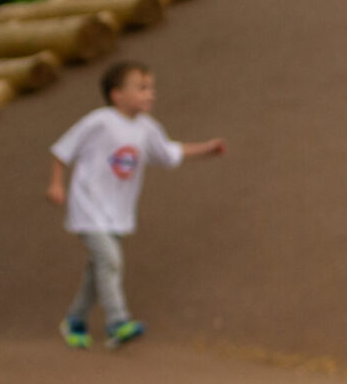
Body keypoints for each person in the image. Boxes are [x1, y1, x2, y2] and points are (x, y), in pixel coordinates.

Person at [47, 61, 225, 351]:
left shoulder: (147, 129)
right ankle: (118, 322)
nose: (150, 94)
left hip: (116, 213)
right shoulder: (99, 121)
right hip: (88, 208)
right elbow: (61, 150)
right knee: (110, 261)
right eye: (141, 88)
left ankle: (74, 320)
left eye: (151, 88)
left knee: (99, 268)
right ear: (117, 94)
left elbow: (169, 152)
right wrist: (55, 184)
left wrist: (205, 149)